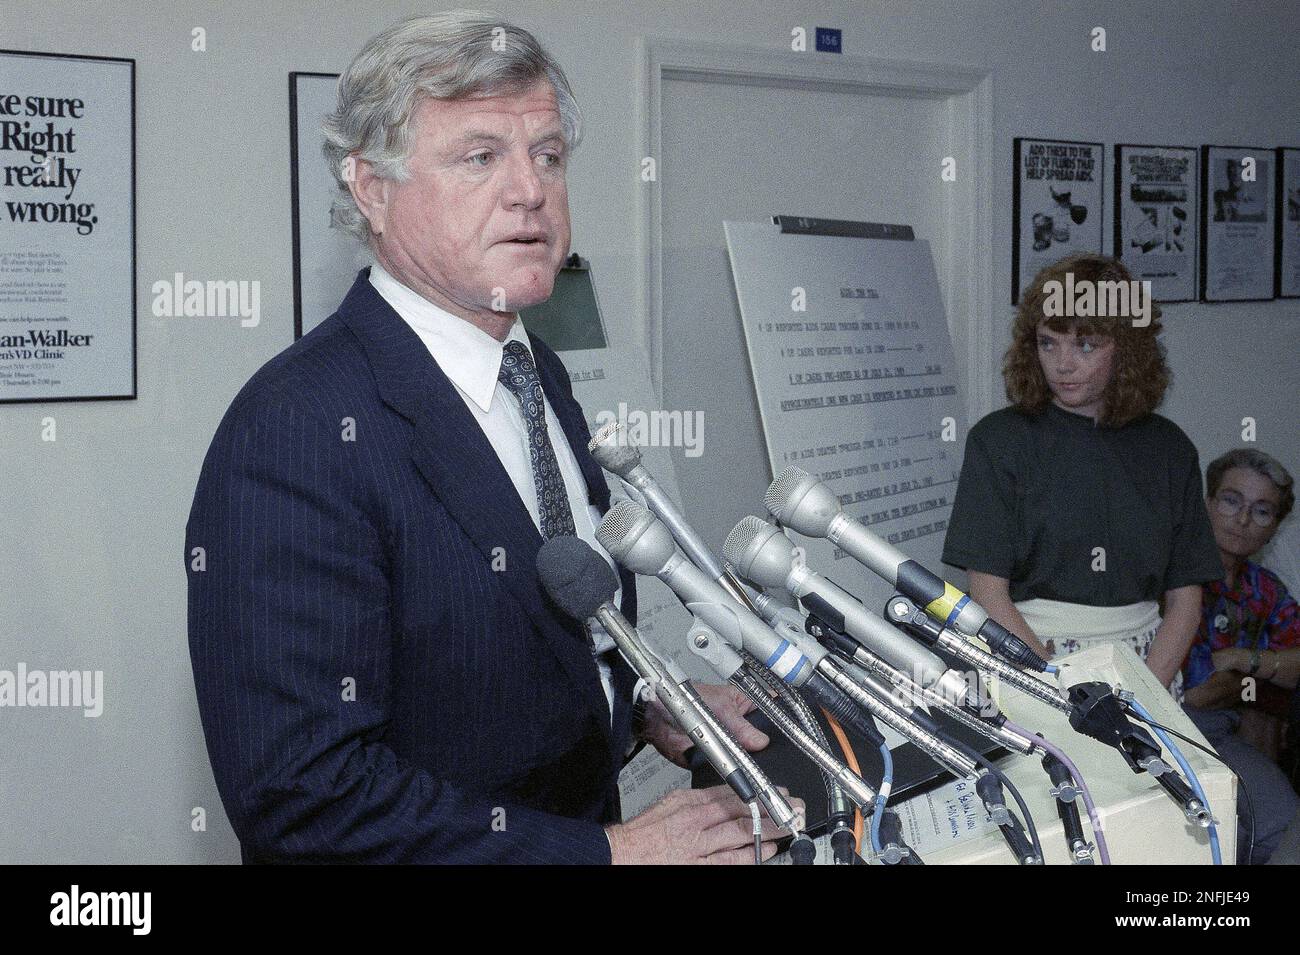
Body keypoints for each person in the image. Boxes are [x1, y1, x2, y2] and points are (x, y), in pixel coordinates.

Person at [185, 11, 797, 864]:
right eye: (480, 157)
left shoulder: (535, 367)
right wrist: (609, 856)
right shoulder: (294, 431)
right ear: (371, 188)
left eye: (547, 156)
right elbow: (305, 802)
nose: (530, 191)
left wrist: (652, 705)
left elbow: (534, 656)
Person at [942, 253, 1222, 696]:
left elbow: (1186, 600)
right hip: (1029, 657)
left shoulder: (1169, 448)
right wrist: (1057, 682)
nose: (1063, 364)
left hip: (1148, 664)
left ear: (1126, 351)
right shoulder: (998, 442)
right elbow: (988, 594)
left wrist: (1144, 694)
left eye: (1086, 346)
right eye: (1048, 343)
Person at [1182, 448, 1300, 863]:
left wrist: (1248, 661)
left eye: (1262, 511)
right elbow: (1196, 695)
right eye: (1232, 501)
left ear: (1275, 528)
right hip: (1172, 727)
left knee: (1281, 825)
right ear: (1208, 502)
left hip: (1223, 727)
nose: (1243, 520)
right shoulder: (1176, 573)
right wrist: (1261, 681)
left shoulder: (1263, 588)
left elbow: (1298, 663)